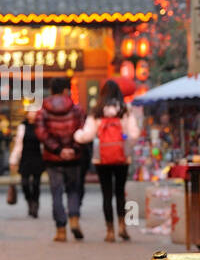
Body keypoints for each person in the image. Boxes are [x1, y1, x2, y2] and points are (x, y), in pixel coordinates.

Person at [74, 79, 141, 241]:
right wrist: (126, 146)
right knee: (120, 193)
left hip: (101, 158)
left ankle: (110, 231)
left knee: (106, 194)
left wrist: (77, 135)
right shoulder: (125, 110)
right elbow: (134, 134)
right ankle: (122, 226)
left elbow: (87, 135)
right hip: (121, 158)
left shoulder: (96, 111)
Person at [35, 76, 86, 241]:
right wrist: (72, 149)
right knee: (73, 190)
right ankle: (74, 219)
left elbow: (41, 133)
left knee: (56, 193)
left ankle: (61, 230)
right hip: (74, 157)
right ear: (66, 90)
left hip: (52, 158)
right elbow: (83, 132)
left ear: (51, 90)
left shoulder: (43, 110)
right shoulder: (77, 110)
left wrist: (57, 150)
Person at [9, 104, 44, 216]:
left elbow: (45, 143)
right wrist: (13, 160)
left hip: (38, 157)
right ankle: (29, 201)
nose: (32, 114)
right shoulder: (22, 126)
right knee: (24, 183)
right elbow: (18, 144)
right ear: (27, 114)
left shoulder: (41, 126)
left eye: (35, 112)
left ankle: (35, 203)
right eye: (31, 112)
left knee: (36, 183)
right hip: (25, 158)